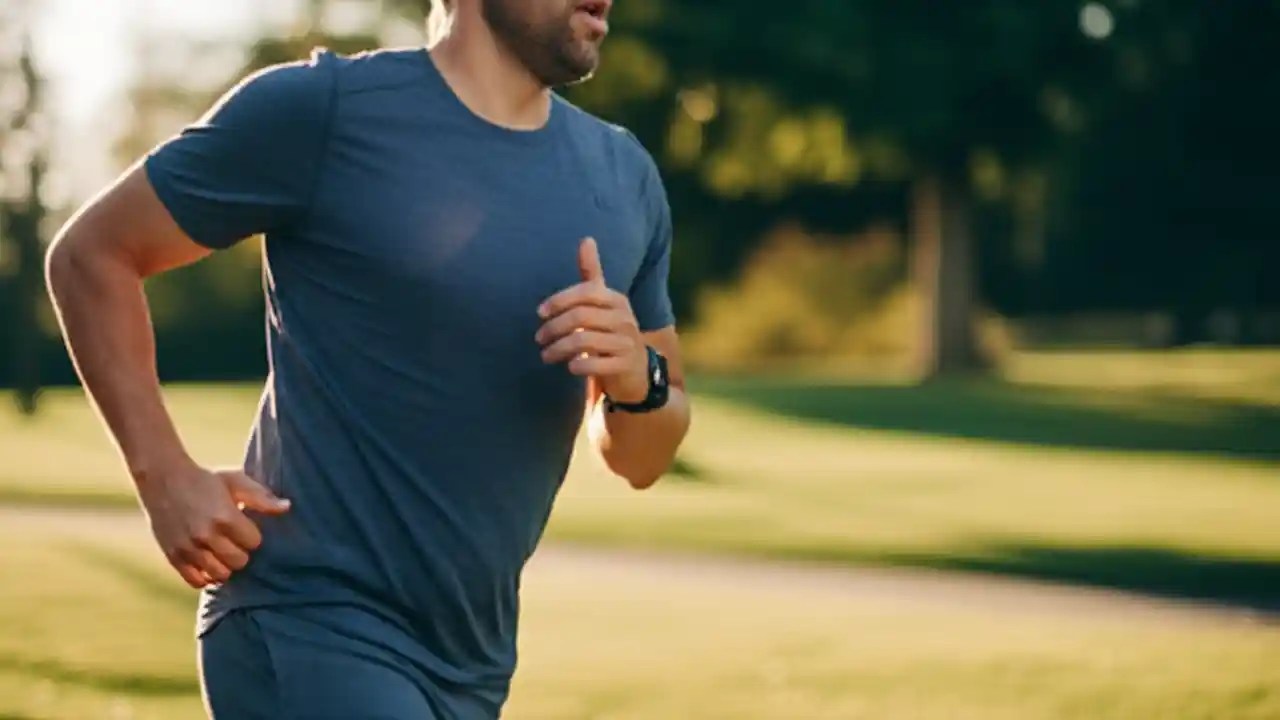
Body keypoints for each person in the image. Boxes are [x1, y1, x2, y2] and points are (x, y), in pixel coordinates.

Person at [45, 0, 691, 716]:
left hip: (471, 662)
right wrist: (163, 475)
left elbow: (644, 458)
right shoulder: (322, 112)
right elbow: (92, 255)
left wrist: (639, 378)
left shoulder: (623, 176)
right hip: (306, 617)